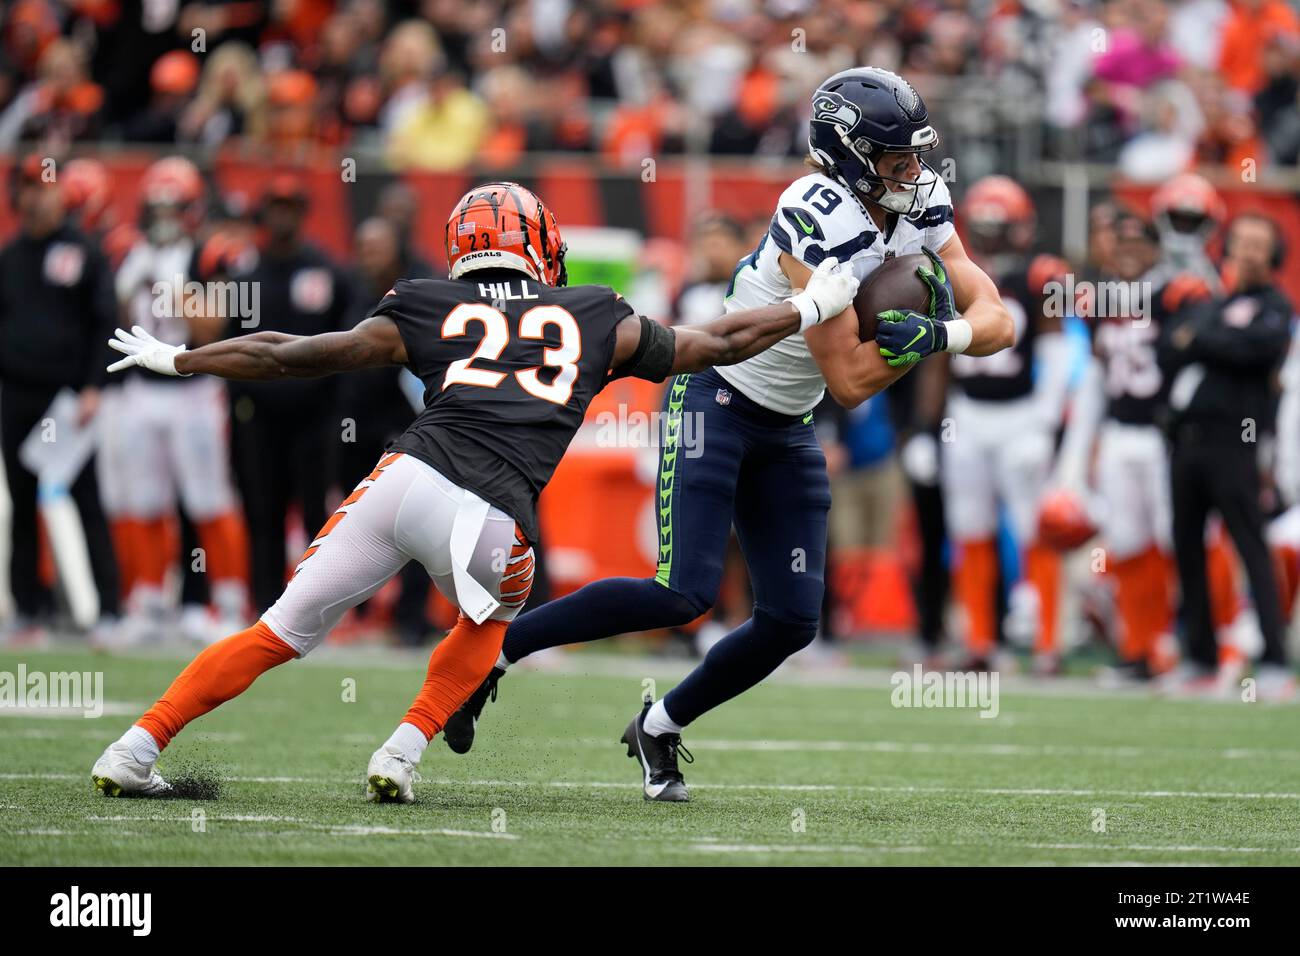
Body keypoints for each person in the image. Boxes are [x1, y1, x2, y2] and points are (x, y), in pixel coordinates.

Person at [88, 181, 861, 800]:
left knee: (275, 633)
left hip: (404, 479)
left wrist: (179, 361)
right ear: (540, 246)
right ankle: (401, 750)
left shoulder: (425, 300)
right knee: (492, 620)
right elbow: (717, 343)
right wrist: (807, 307)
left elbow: (295, 353)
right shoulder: (593, 312)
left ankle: (137, 745)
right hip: (492, 514)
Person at [445, 68, 1015, 802]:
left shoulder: (921, 200)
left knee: (790, 621)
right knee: (682, 593)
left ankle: (658, 725)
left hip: (786, 422)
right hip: (715, 398)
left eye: (914, 156)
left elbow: (997, 315)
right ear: (846, 155)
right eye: (894, 158)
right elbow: (848, 378)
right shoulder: (816, 211)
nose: (913, 172)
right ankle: (495, 651)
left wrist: (941, 331)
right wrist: (919, 345)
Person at [939, 176, 1072, 674]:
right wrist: (930, 428)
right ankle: (979, 641)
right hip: (969, 415)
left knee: (1035, 530)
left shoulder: (1042, 274)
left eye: (1000, 226)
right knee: (969, 528)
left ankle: (1047, 643)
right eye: (985, 226)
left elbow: (1057, 351)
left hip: (1020, 416)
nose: (991, 236)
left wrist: (1044, 420)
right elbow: (937, 353)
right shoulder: (951, 272)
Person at [1161, 212, 1295, 700]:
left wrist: (1200, 341)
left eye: (1259, 244)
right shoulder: (1214, 301)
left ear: (1273, 253)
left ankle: (1275, 660)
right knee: (1187, 548)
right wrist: (1202, 340)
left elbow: (1256, 351)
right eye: (1242, 242)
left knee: (1250, 548)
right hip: (1188, 440)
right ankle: (1199, 656)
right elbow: (1169, 347)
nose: (1249, 253)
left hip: (1235, 443)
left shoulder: (1276, 306)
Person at [0, 156, 118, 641]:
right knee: (22, 502)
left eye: (44, 186)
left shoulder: (83, 252)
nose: (36, 196)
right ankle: (30, 606)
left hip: (68, 398)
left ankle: (109, 610)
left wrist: (93, 385)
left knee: (87, 498)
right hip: (18, 393)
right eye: (27, 187)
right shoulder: (9, 257)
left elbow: (103, 320)